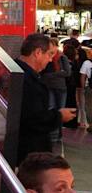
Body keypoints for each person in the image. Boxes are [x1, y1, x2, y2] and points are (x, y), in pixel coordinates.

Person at [16, 33, 76, 163]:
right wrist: (59, 116)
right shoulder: (25, 79)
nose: (50, 60)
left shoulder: (20, 73)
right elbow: (33, 117)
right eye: (49, 54)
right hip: (28, 152)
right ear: (38, 52)